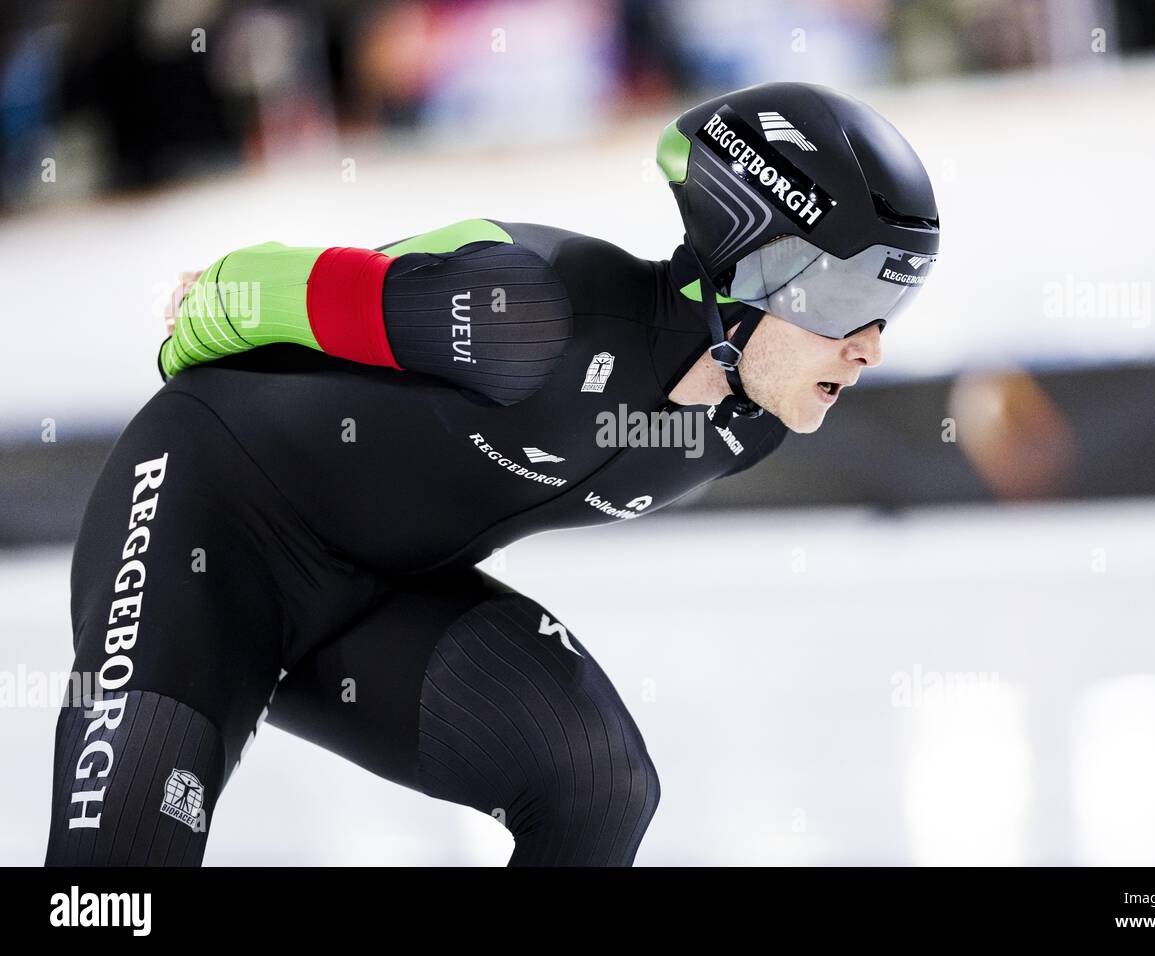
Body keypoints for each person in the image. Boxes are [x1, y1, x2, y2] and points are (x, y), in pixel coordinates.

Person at [44, 81, 939, 866]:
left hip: (377, 591)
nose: (868, 347)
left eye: (891, 305)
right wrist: (190, 332)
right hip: (207, 526)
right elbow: (269, 284)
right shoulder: (530, 315)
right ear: (750, 269)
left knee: (598, 784)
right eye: (849, 300)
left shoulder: (750, 428)